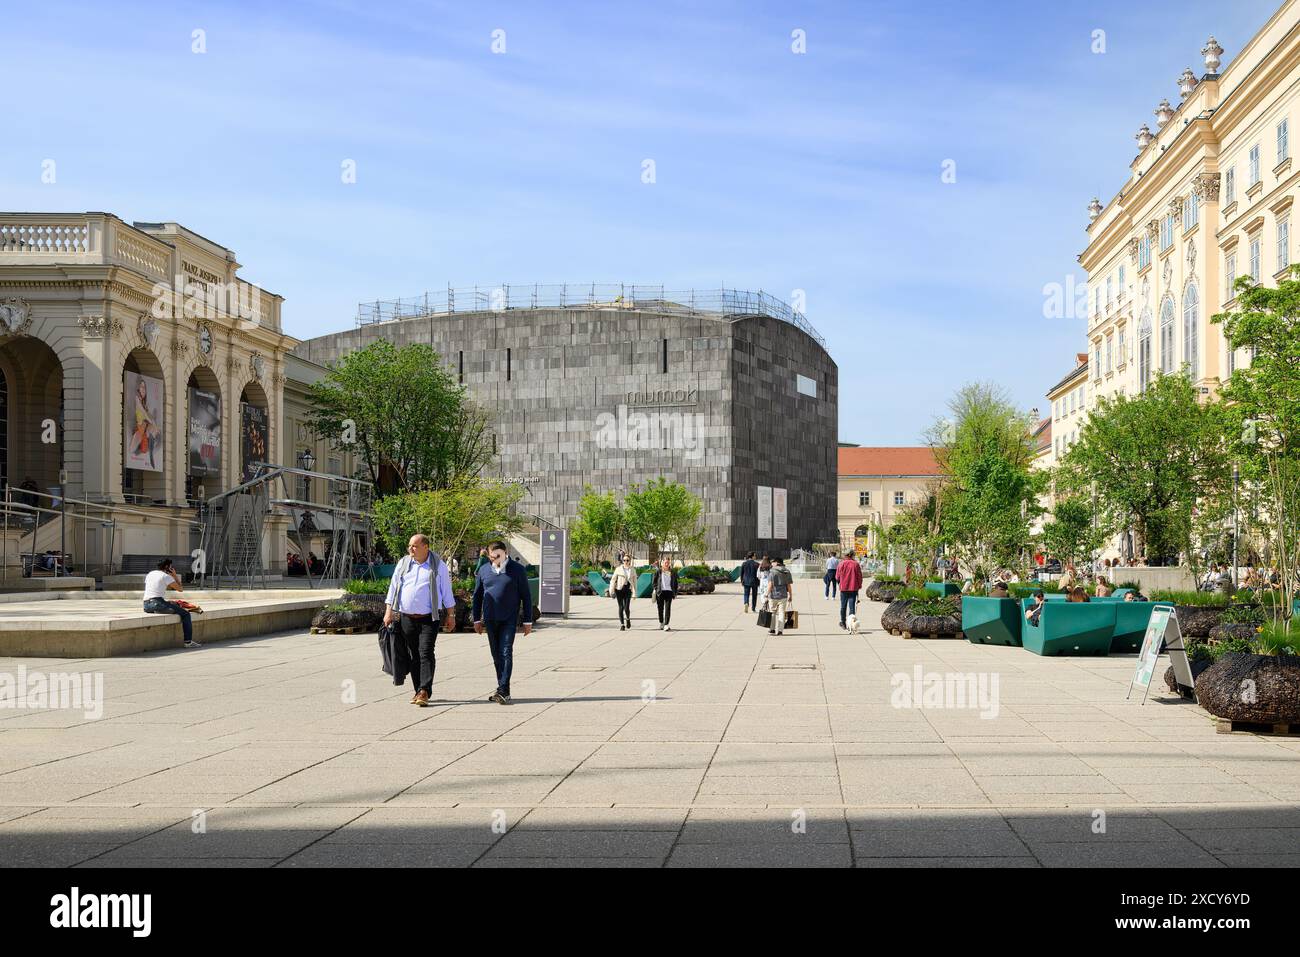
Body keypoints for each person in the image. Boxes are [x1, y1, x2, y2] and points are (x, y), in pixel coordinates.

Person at [383, 534, 456, 707]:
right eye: (410, 546)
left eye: (414, 546)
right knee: (414, 654)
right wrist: (388, 612)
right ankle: (418, 690)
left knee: (425, 652)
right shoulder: (404, 563)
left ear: (426, 547)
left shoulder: (438, 565)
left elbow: (446, 591)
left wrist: (451, 615)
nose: (411, 549)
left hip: (429, 618)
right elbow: (393, 588)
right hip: (407, 617)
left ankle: (424, 690)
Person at [471, 540, 534, 704]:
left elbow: (526, 596)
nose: (494, 559)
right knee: (496, 655)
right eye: (491, 556)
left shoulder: (517, 570)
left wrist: (528, 621)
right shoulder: (484, 570)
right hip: (490, 618)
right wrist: (476, 619)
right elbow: (477, 596)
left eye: (497, 556)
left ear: (505, 553)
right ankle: (502, 688)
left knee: (505, 651)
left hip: (509, 618)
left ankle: (503, 689)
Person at [143, 558, 200, 648]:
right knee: (185, 614)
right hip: (158, 603)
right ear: (167, 567)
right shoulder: (166, 576)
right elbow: (180, 589)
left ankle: (160, 609)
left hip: (146, 605)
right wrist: (175, 576)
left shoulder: (151, 573)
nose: (171, 568)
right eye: (170, 566)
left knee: (171, 603)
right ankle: (188, 642)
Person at [608, 554, 637, 630]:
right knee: (621, 607)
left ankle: (627, 619)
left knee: (626, 607)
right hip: (619, 589)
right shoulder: (618, 569)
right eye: (624, 560)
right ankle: (622, 624)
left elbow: (635, 582)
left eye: (627, 560)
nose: (625, 562)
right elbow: (613, 580)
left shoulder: (632, 570)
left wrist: (634, 593)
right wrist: (611, 590)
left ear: (629, 561)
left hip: (628, 589)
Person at [766, 558, 794, 636]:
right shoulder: (787, 571)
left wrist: (766, 594)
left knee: (773, 613)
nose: (772, 563)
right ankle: (780, 631)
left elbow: (770, 585)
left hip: (773, 596)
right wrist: (790, 596)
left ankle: (772, 629)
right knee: (781, 613)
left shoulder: (772, 571)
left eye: (773, 562)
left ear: (777, 563)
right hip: (783, 596)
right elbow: (789, 586)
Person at [836, 549, 862, 630]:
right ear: (852, 555)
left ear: (846, 555)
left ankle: (843, 623)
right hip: (853, 588)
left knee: (843, 607)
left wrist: (840, 582)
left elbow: (837, 577)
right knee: (852, 607)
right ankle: (851, 623)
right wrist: (859, 585)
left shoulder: (841, 564)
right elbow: (859, 577)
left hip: (843, 588)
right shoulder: (856, 564)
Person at [652, 557, 679, 632]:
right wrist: (656, 588)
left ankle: (666, 624)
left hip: (669, 592)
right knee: (660, 609)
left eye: (668, 562)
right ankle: (661, 622)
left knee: (668, 608)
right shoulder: (658, 571)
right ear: (662, 563)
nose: (667, 564)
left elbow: (675, 582)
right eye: (665, 562)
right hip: (660, 592)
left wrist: (675, 592)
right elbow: (654, 582)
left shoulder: (672, 572)